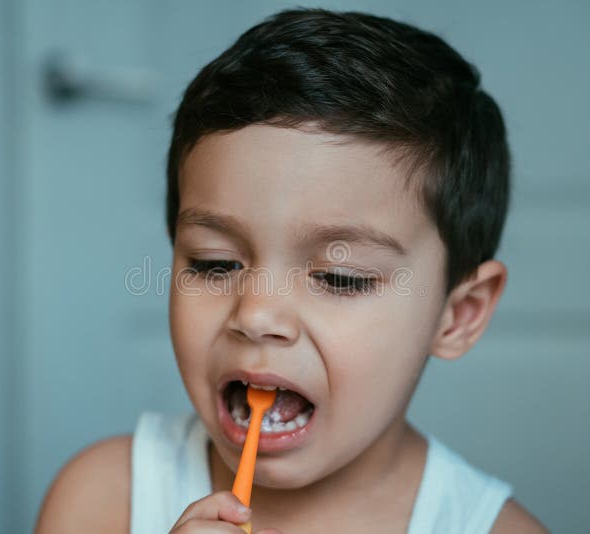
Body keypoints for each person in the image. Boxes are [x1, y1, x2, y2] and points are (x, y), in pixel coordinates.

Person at [36, 7, 548, 533]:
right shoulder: (102, 501)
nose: (256, 315)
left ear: (459, 313)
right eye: (216, 264)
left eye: (339, 277)